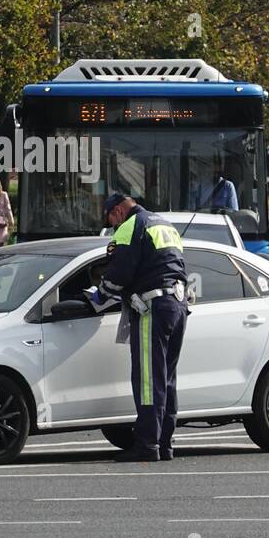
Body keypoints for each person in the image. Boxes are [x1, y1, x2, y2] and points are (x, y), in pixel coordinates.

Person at [89, 192, 190, 463]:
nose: (113, 226)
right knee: (166, 379)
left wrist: (99, 294)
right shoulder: (165, 224)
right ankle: (165, 444)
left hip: (153, 308)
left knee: (148, 380)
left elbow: (120, 271)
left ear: (119, 210)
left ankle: (147, 445)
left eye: (111, 219)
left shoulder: (132, 225)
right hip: (178, 305)